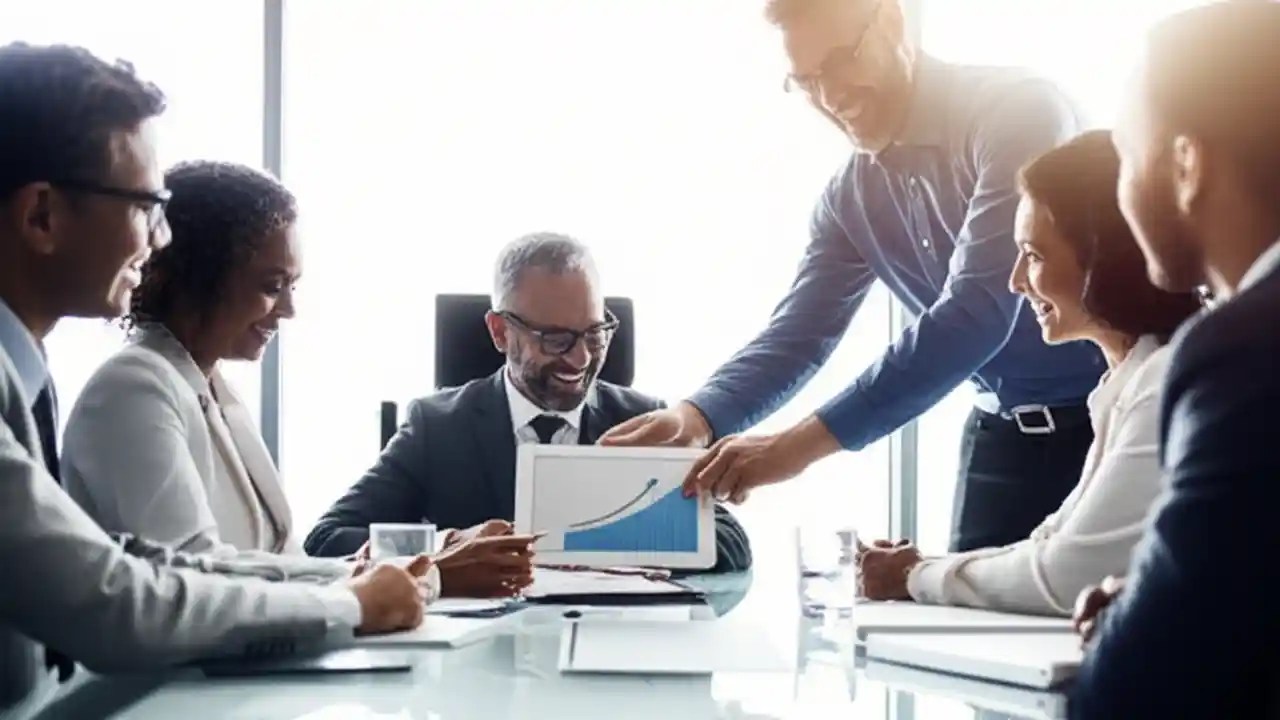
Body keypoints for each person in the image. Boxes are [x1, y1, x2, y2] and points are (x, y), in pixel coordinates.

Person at [0, 43, 424, 713]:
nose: (160, 239)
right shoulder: (123, 385)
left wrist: (351, 583)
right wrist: (343, 606)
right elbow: (112, 602)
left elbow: (123, 559)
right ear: (42, 217)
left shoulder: (26, 374)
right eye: (145, 205)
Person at [600, 0, 1105, 553]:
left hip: (1118, 422)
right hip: (1000, 440)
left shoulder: (1016, 113)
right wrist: (696, 415)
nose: (832, 97)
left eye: (842, 61)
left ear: (891, 22)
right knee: (970, 628)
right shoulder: (850, 200)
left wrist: (794, 448)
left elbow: (976, 311)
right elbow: (799, 335)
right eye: (808, 80)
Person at [61, 160, 535, 598]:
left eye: (293, 286)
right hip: (166, 686)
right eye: (272, 286)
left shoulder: (209, 389)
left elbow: (277, 562)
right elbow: (192, 579)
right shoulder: (134, 391)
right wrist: (429, 576)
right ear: (200, 276)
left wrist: (411, 565)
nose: (288, 309)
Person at [855, 130, 1200, 615]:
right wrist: (921, 569)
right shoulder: (1127, 384)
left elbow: (1066, 576)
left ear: (1100, 260)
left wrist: (915, 576)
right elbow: (1048, 545)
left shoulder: (1162, 384)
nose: (1016, 281)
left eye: (1034, 256)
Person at [305, 233, 753, 573]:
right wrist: (449, 546)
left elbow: (733, 546)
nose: (580, 358)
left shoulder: (643, 420)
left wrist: (625, 540)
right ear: (501, 333)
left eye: (595, 333)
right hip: (476, 668)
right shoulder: (437, 427)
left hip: (607, 650)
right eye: (556, 339)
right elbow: (326, 540)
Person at [1069, 5, 1280, 717]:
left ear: (1187, 165)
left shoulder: (1243, 351)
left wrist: (1131, 632)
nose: (1122, 189)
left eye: (1127, 155)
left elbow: (1131, 693)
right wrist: (1152, 605)